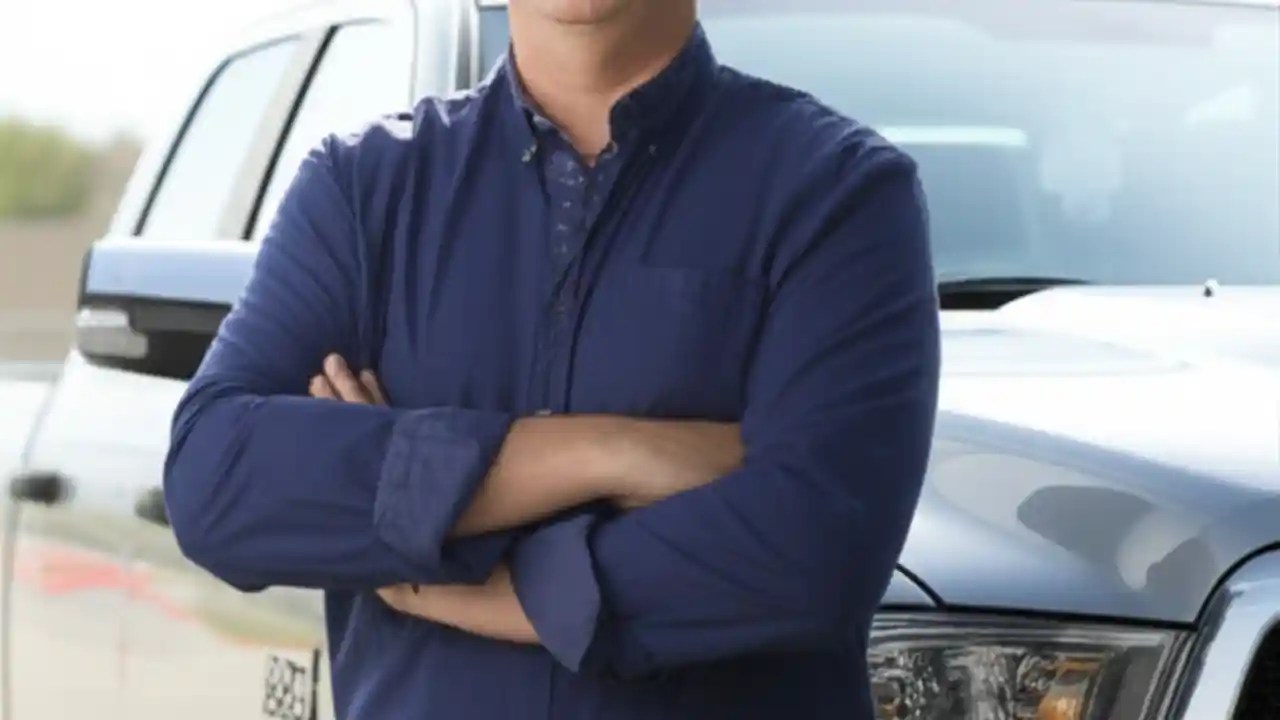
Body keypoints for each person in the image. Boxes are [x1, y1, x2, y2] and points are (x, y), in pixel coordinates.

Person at [163, 0, 941, 717]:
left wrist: (431, 566)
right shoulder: (363, 188)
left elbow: (806, 555)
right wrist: (613, 452)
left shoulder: (840, 194)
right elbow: (214, 480)